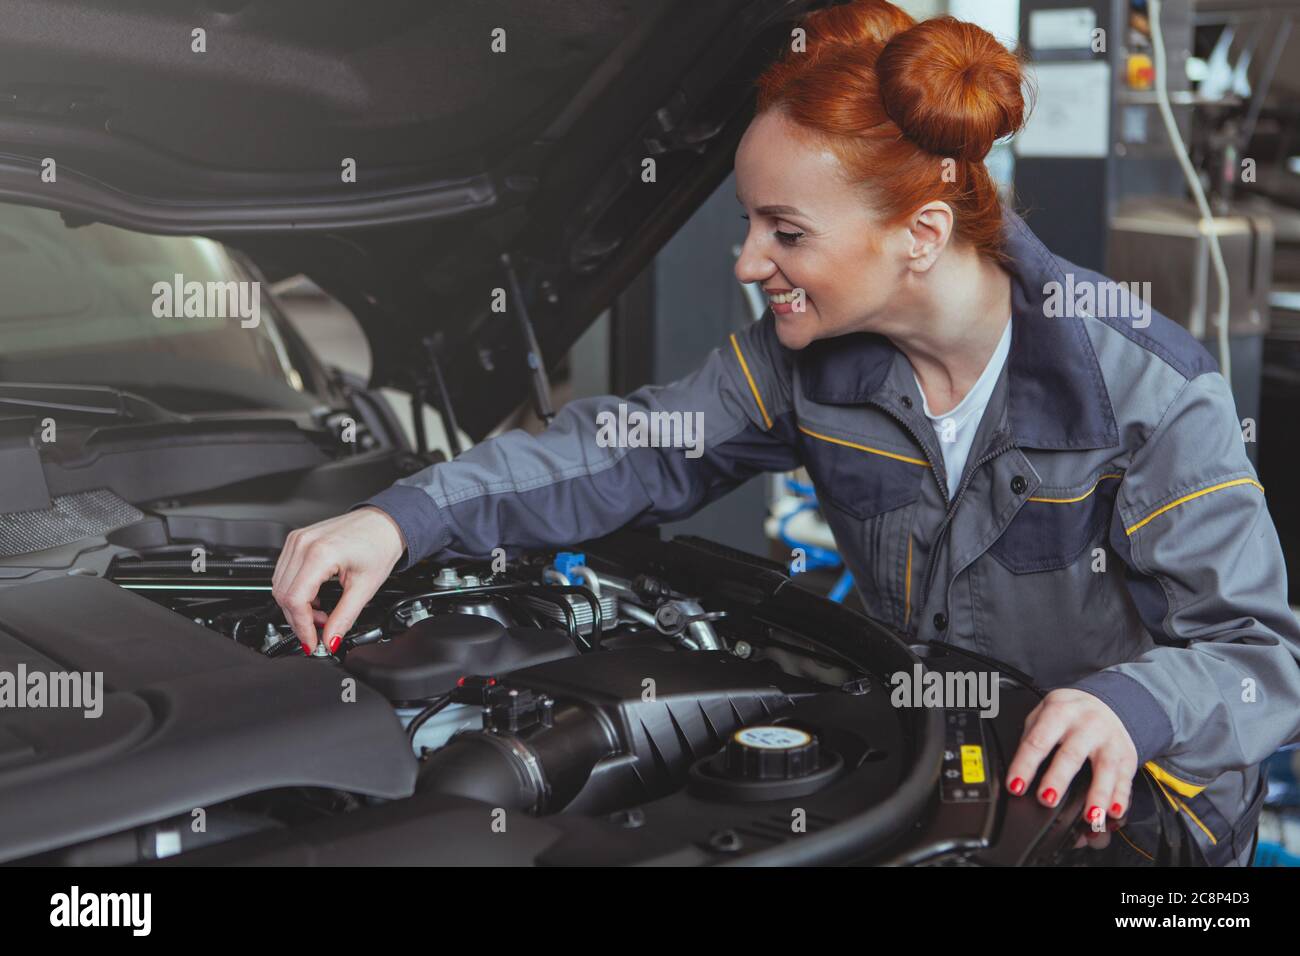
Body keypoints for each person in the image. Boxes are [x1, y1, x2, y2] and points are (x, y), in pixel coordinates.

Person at [272, 0, 1300, 865]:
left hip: (1144, 818)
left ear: (920, 236)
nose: (748, 262)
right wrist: (402, 518)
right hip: (937, 768)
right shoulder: (800, 363)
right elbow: (626, 447)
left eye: (786, 231)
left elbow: (1260, 656)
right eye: (749, 222)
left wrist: (1131, 702)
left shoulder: (1143, 390)